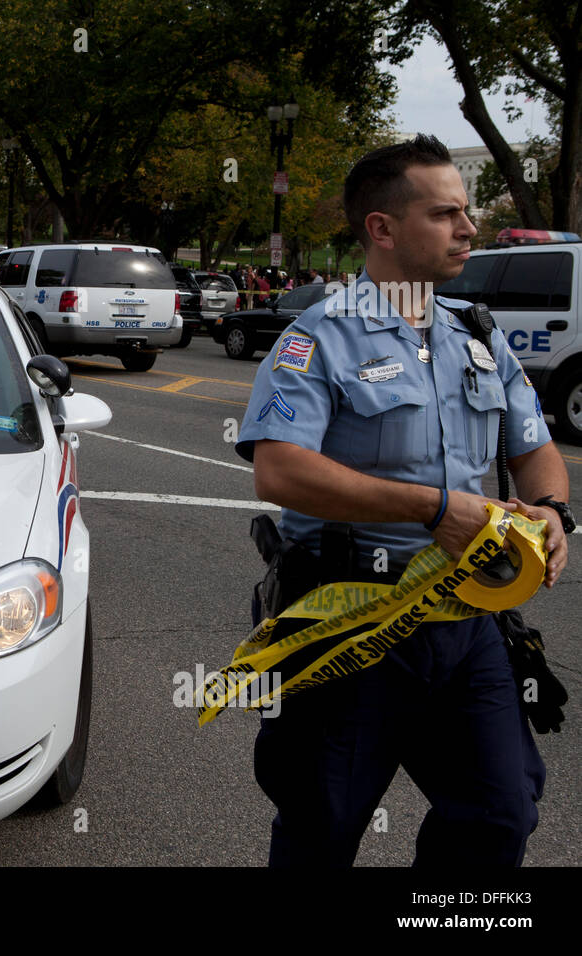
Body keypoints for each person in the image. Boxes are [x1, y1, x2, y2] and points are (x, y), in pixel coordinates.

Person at [235, 133, 569, 866]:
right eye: (446, 213)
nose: (469, 228)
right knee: (322, 821)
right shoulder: (319, 336)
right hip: (351, 619)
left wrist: (549, 510)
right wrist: (431, 508)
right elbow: (280, 471)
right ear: (382, 229)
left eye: (467, 211)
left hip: (467, 620)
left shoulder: (477, 335)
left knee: (498, 815)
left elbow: (534, 446)